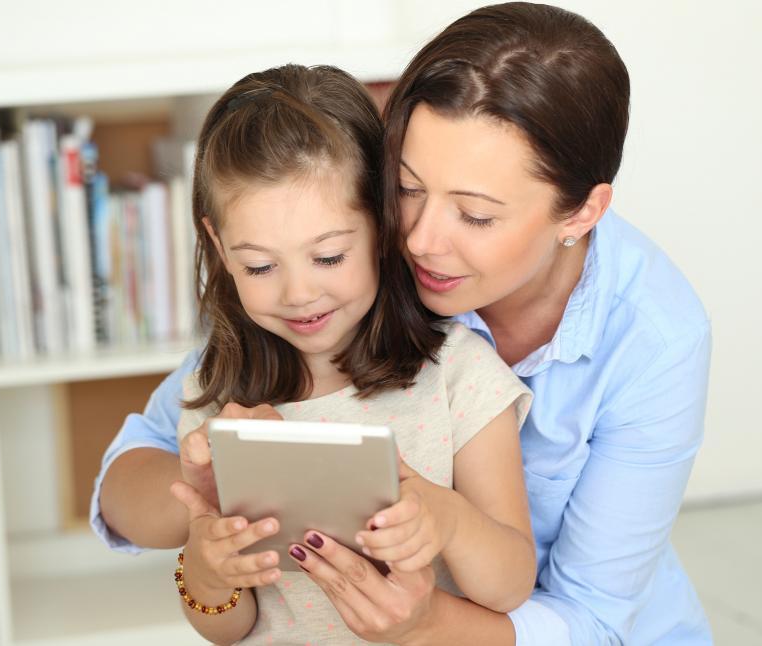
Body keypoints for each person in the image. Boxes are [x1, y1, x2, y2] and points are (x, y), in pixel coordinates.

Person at [94, 2, 713, 643]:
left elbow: (588, 615)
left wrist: (425, 617)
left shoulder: (653, 340)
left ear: (582, 213)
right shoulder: (328, 284)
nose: (418, 241)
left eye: (475, 215)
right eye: (408, 188)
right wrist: (209, 518)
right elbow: (145, 467)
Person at [95, 63, 536, 645]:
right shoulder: (225, 403)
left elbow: (510, 584)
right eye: (259, 266)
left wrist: (446, 519)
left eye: (328, 257)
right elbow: (227, 629)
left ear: (382, 226)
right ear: (218, 248)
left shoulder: (457, 375)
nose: (298, 293)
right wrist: (206, 569)